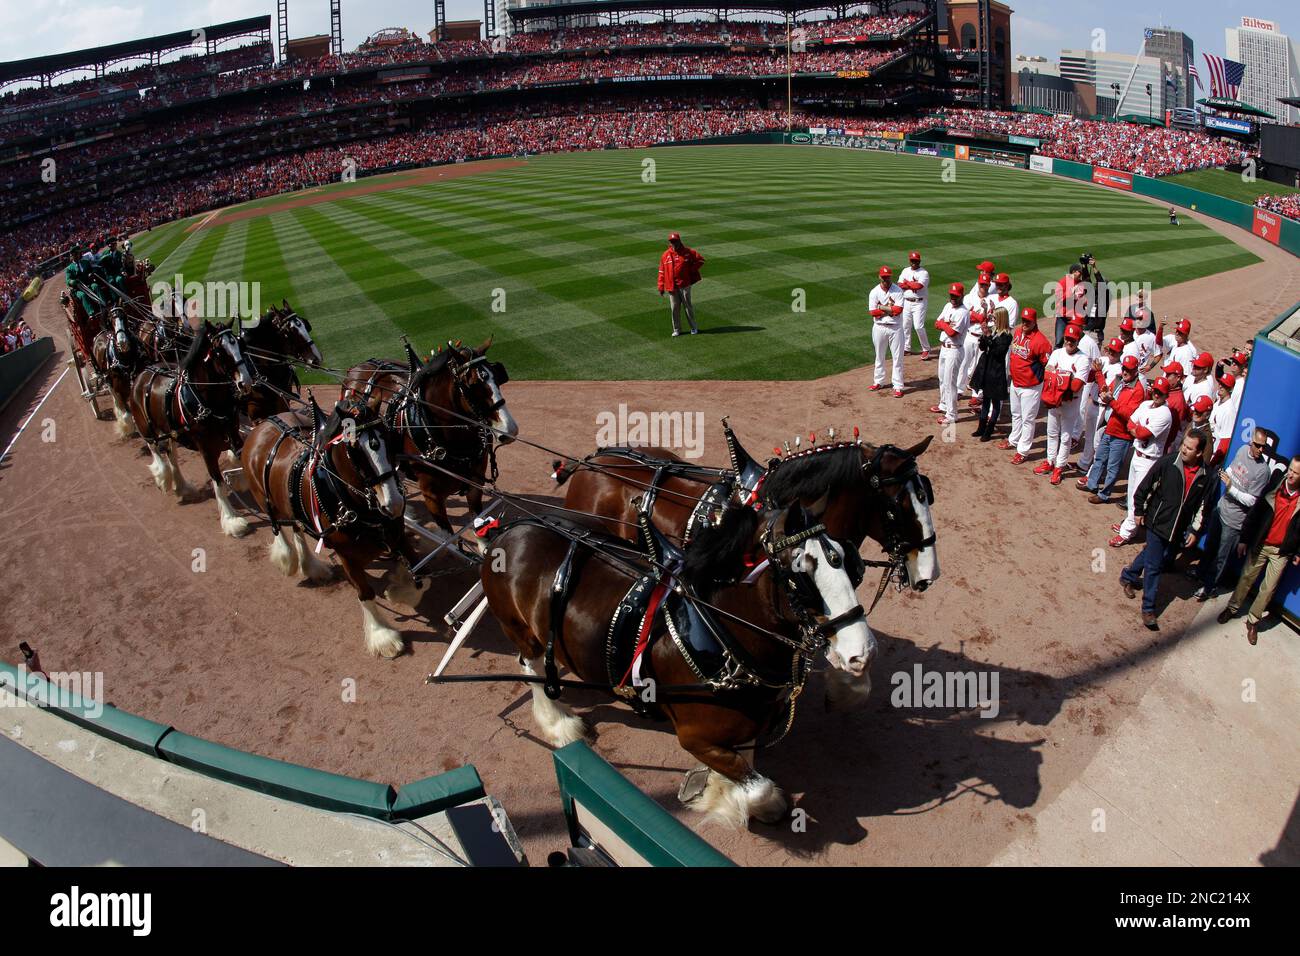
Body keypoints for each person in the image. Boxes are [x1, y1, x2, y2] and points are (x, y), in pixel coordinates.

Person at [1120, 431, 1214, 629]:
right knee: (1155, 566)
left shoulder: (1207, 476)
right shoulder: (1168, 463)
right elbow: (1144, 487)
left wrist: (1195, 531)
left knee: (1151, 554)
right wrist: (1138, 510)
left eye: (1189, 448)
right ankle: (1148, 609)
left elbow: (1203, 507)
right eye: (1184, 445)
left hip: (1177, 528)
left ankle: (1128, 576)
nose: (1184, 449)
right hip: (1157, 522)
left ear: (1199, 452)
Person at [1217, 454, 1300, 645]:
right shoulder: (1275, 485)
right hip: (1262, 544)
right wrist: (1245, 539)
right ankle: (1232, 608)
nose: (1291, 475)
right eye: (1290, 470)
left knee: (1268, 589)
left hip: (1282, 552)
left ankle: (1253, 621)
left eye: (1296, 473)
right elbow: (1256, 513)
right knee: (1246, 578)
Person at [1195, 426, 1275, 600]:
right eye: (1257, 445)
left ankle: (1210, 587)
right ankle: (1199, 573)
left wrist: (1231, 487)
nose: (1260, 449)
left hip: (1235, 521)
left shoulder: (1263, 471)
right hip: (1221, 508)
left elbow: (1252, 501)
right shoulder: (1242, 450)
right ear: (1250, 441)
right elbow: (1230, 470)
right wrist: (1228, 478)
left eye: (1263, 446)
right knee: (1210, 546)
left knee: (1221, 558)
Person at [1111, 376, 1173, 547]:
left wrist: (1134, 430)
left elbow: (1142, 434)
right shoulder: (1146, 405)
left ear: (1166, 395)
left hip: (1149, 460)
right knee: (1131, 492)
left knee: (1138, 495)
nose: (1156, 394)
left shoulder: (1165, 414)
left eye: (1160, 393)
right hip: (1137, 454)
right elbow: (1131, 421)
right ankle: (1129, 524)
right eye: (1155, 391)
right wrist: (1134, 429)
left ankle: (1127, 533)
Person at [1081, 355, 1145, 504]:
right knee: (1099, 458)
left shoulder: (1138, 391)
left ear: (1136, 371)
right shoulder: (1119, 381)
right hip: (1109, 428)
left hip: (1122, 435)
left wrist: (1112, 402)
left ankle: (1104, 495)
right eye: (1124, 368)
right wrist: (1098, 374)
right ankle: (1092, 485)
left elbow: (1129, 414)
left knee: (1113, 467)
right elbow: (1106, 390)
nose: (1125, 372)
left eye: (1128, 370)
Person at [1037, 324, 1090, 484]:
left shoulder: (1083, 359)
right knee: (1052, 432)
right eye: (1067, 338)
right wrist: (1066, 377)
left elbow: (1076, 387)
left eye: (1073, 339)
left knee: (1066, 437)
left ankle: (1059, 467)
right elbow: (1047, 374)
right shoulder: (1057, 353)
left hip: (1070, 404)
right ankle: (1050, 461)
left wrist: (1058, 376)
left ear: (1078, 340)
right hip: (1054, 400)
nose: (1069, 342)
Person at [1003, 306, 1051, 465]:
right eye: (1023, 320)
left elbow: (1048, 365)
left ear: (1034, 322)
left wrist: (1040, 382)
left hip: (1031, 387)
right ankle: (1013, 440)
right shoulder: (1017, 332)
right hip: (1016, 383)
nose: (1024, 324)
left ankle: (1022, 451)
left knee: (1028, 420)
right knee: (1015, 414)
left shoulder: (1041, 341)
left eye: (1028, 321)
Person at [1076, 336, 1124, 478]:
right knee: (1089, 436)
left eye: (1115, 352)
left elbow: (1106, 390)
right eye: (1110, 351)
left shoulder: (1120, 370)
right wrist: (1092, 370)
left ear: (1121, 353)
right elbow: (1089, 379)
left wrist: (1097, 372)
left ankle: (1094, 472)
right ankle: (1084, 463)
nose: (1111, 354)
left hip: (1104, 408)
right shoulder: (1102, 360)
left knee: (1099, 443)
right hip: (1094, 403)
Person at [930, 282, 969, 425]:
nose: (953, 298)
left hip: (954, 349)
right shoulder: (948, 306)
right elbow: (936, 323)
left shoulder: (963, 312)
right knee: (942, 379)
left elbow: (953, 333)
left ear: (961, 296)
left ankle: (952, 415)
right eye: (951, 295)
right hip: (944, 348)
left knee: (950, 383)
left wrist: (944, 325)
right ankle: (944, 405)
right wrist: (945, 325)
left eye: (956, 296)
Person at [972, 307, 1011, 441]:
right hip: (987, 369)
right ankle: (981, 428)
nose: (992, 320)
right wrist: (984, 336)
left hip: (996, 372)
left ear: (1000, 319)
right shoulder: (993, 331)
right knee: (985, 400)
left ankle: (988, 430)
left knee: (995, 402)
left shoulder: (1006, 336)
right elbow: (983, 348)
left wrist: (988, 337)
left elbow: (998, 352)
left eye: (995, 318)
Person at [657, 231, 704, 337]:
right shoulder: (665, 255)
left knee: (688, 307)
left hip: (685, 285)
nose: (674, 243)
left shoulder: (688, 252)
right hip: (671, 286)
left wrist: (691, 270)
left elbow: (700, 260)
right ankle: (677, 329)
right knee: (674, 309)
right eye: (672, 241)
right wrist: (660, 286)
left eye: (675, 241)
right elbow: (661, 272)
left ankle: (693, 327)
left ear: (679, 241)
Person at [868, 266, 906, 397]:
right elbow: (873, 312)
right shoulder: (874, 292)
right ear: (879, 277)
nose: (886, 279)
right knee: (879, 355)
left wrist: (881, 308)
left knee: (898, 358)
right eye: (883, 277)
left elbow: (898, 311)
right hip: (879, 327)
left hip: (895, 328)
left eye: (887, 277)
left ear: (891, 276)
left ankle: (898, 386)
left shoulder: (898, 291)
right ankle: (879, 381)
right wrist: (889, 309)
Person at [960, 271, 993, 409]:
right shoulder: (968, 298)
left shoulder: (993, 300)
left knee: (980, 367)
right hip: (969, 335)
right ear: (978, 284)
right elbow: (965, 317)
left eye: (986, 285)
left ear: (989, 285)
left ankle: (976, 394)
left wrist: (977, 316)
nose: (983, 287)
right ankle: (959, 390)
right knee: (964, 363)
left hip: (983, 339)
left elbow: (990, 322)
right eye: (981, 284)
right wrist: (980, 317)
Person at [898, 251, 931, 359]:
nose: (914, 262)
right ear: (909, 260)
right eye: (912, 260)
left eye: (916, 260)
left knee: (918, 326)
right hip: (906, 301)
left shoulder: (923, 273)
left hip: (919, 302)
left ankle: (926, 349)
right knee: (905, 325)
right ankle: (907, 348)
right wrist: (910, 285)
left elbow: (918, 286)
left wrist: (907, 283)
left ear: (919, 261)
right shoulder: (905, 270)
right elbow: (899, 284)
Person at [1208, 372, 1238, 467]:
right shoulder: (1217, 403)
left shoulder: (1229, 411)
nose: (1220, 386)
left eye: (1224, 385)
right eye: (1220, 383)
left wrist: (1212, 463)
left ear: (1230, 389)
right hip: (1207, 451)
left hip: (1213, 456)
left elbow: (1225, 441)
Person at [1054, 263, 1087, 348]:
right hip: (1063, 317)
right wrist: (1070, 293)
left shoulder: (1081, 283)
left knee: (1074, 341)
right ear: (1073, 272)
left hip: (1074, 319)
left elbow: (1082, 299)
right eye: (1079, 272)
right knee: (1059, 342)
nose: (1081, 274)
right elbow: (1058, 299)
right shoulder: (1063, 281)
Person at [1160, 362, 1187, 454]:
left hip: (1164, 443)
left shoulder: (1178, 400)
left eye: (1168, 375)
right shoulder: (1170, 391)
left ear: (1178, 378)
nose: (1165, 377)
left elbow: (1172, 430)